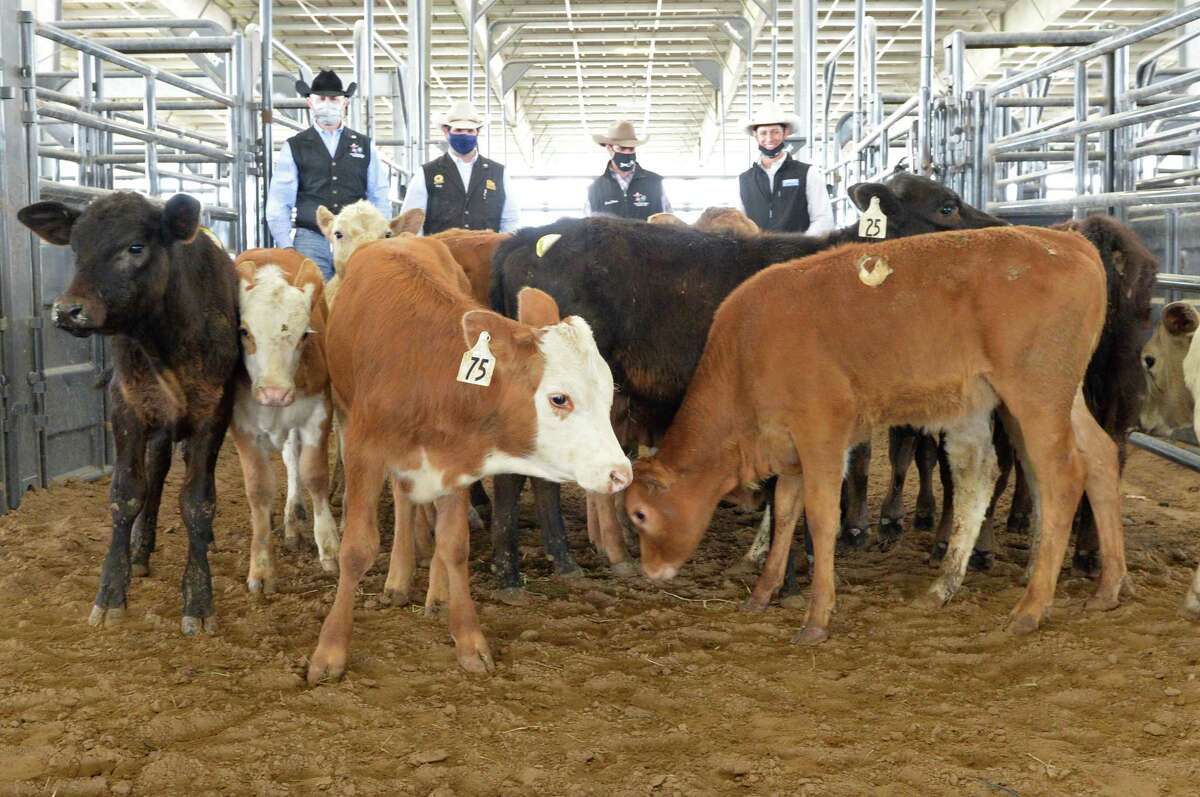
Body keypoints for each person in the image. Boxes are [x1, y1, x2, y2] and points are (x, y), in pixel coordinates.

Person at [265, 70, 392, 280]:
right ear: (310, 103)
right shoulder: (295, 146)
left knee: (356, 291)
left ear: (345, 103)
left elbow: (379, 193)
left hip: (357, 237)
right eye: (321, 98)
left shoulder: (364, 145)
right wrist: (285, 244)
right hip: (311, 237)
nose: (327, 104)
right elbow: (280, 199)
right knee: (313, 299)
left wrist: (380, 235)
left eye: (333, 98)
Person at [399, 101, 521, 235]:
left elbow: (510, 221)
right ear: (446, 131)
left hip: (486, 254)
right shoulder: (426, 173)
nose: (465, 135)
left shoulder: (498, 173)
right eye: (458, 130)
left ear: (477, 132)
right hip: (441, 253)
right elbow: (412, 224)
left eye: (470, 131)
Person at [737, 102, 834, 235]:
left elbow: (823, 219)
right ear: (755, 135)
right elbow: (739, 224)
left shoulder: (808, 173)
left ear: (785, 133)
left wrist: (800, 246)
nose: (769, 138)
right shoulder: (744, 180)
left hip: (801, 253)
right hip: (759, 254)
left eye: (775, 132)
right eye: (763, 133)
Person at [584, 120, 670, 219]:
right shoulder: (595, 189)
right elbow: (588, 226)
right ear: (609, 148)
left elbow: (670, 223)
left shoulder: (654, 183)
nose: (627, 153)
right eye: (621, 148)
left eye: (631, 148)